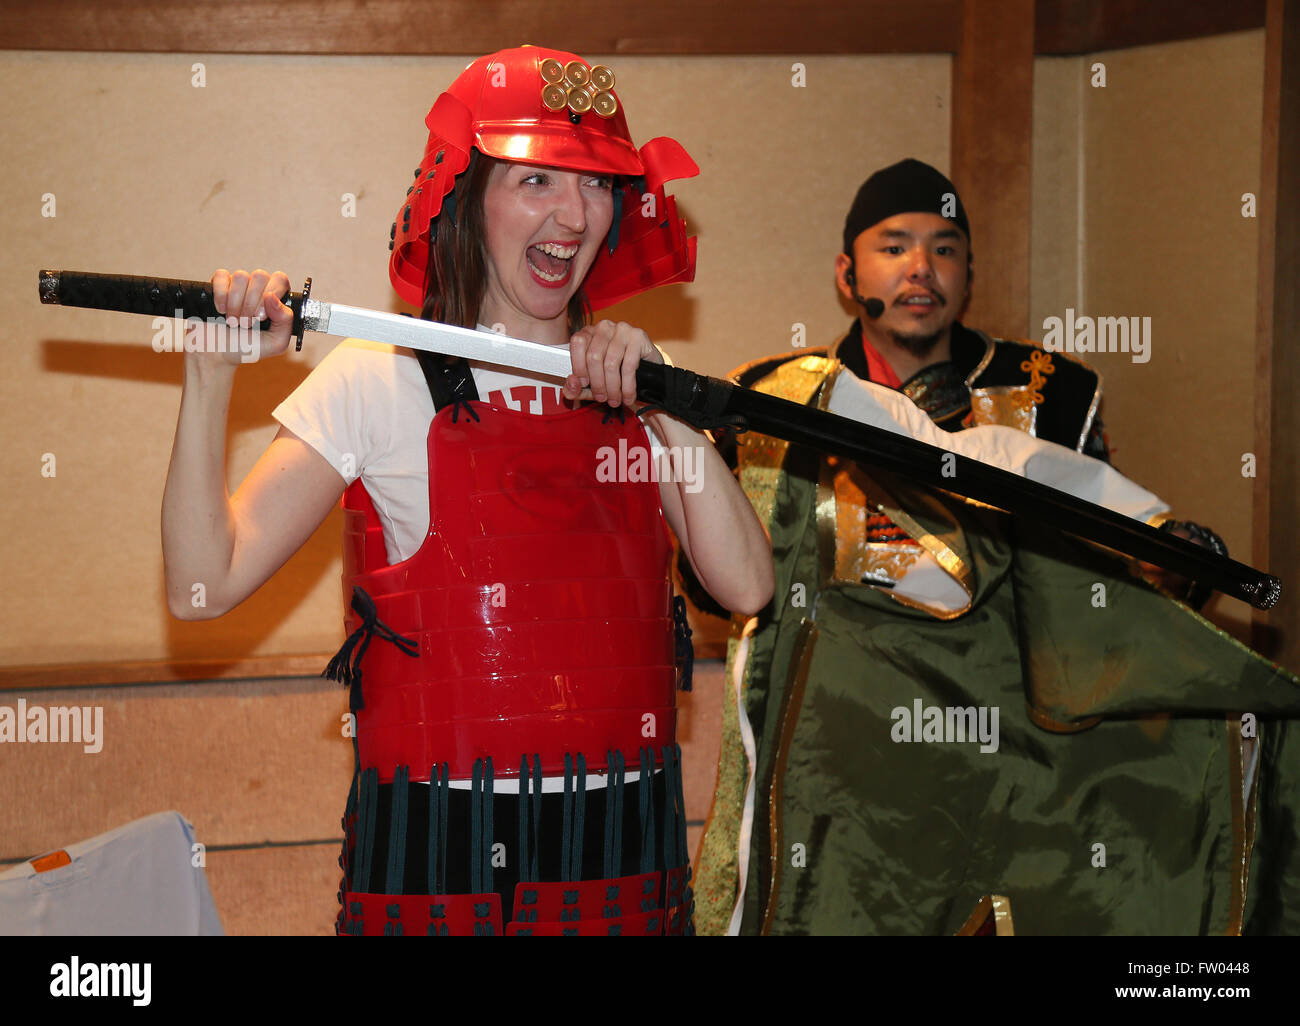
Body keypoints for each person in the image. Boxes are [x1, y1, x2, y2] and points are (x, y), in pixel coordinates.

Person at [161, 45, 773, 937]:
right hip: (438, 844)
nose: (574, 214)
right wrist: (209, 379)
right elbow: (199, 585)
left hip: (628, 843)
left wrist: (665, 400)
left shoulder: (644, 381)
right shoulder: (378, 377)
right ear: (469, 198)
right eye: (536, 182)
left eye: (597, 184)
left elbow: (749, 587)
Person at [690, 158, 1300, 935]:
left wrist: (1170, 564)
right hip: (842, 761)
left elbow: (1100, 578)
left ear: (969, 272)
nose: (921, 268)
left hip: (1019, 763)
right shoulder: (781, 393)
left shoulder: (1049, 390)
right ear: (847, 272)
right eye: (895, 245)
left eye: (945, 248)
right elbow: (720, 585)